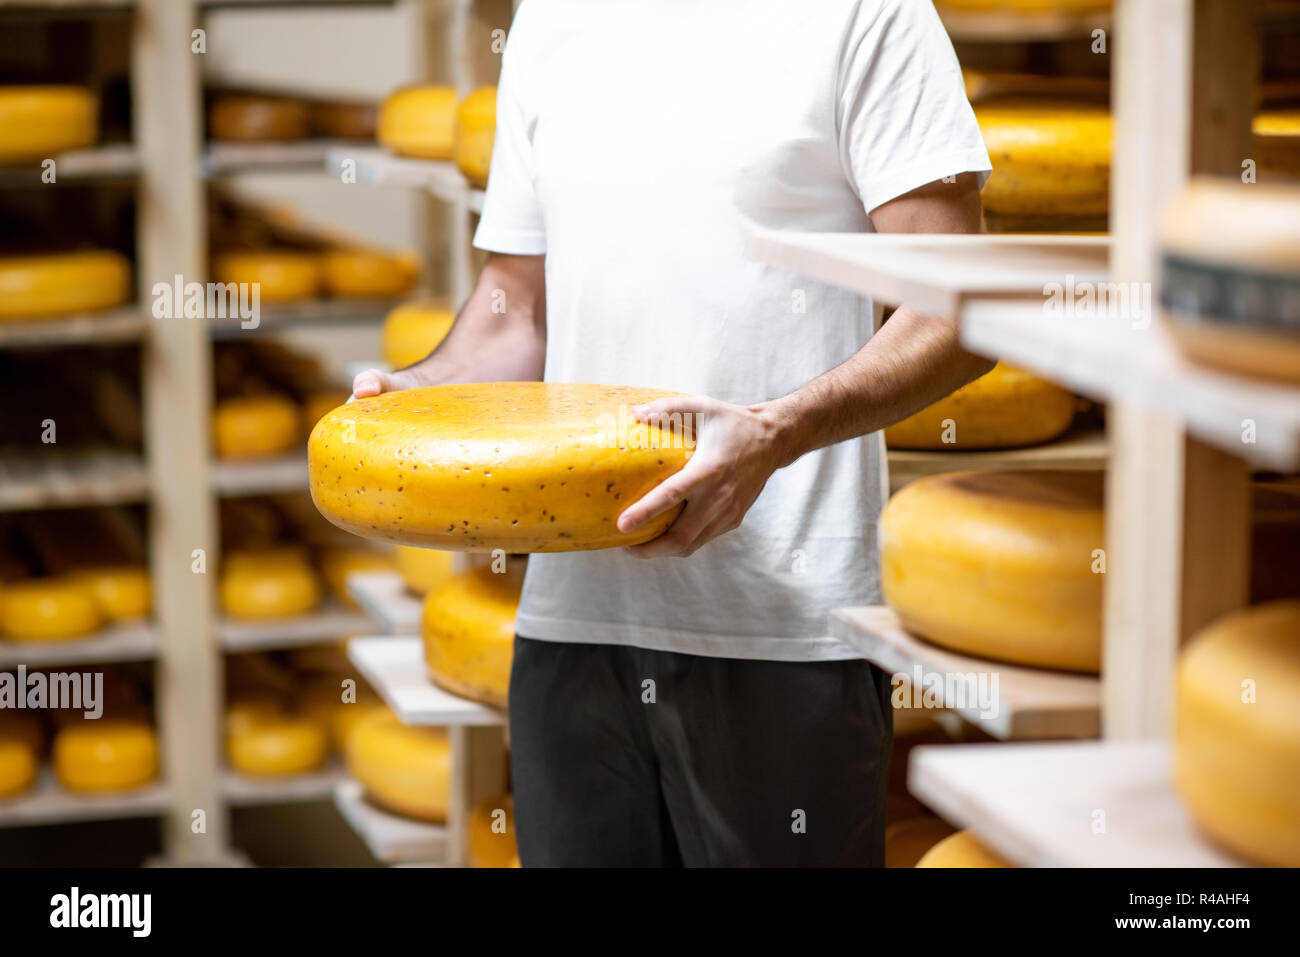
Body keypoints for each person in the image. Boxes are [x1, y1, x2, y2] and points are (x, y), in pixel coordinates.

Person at [352, 0, 993, 866]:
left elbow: (955, 311)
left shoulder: (866, 14)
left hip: (781, 622)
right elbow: (513, 315)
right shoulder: (550, 21)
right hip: (574, 619)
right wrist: (418, 390)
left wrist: (777, 432)